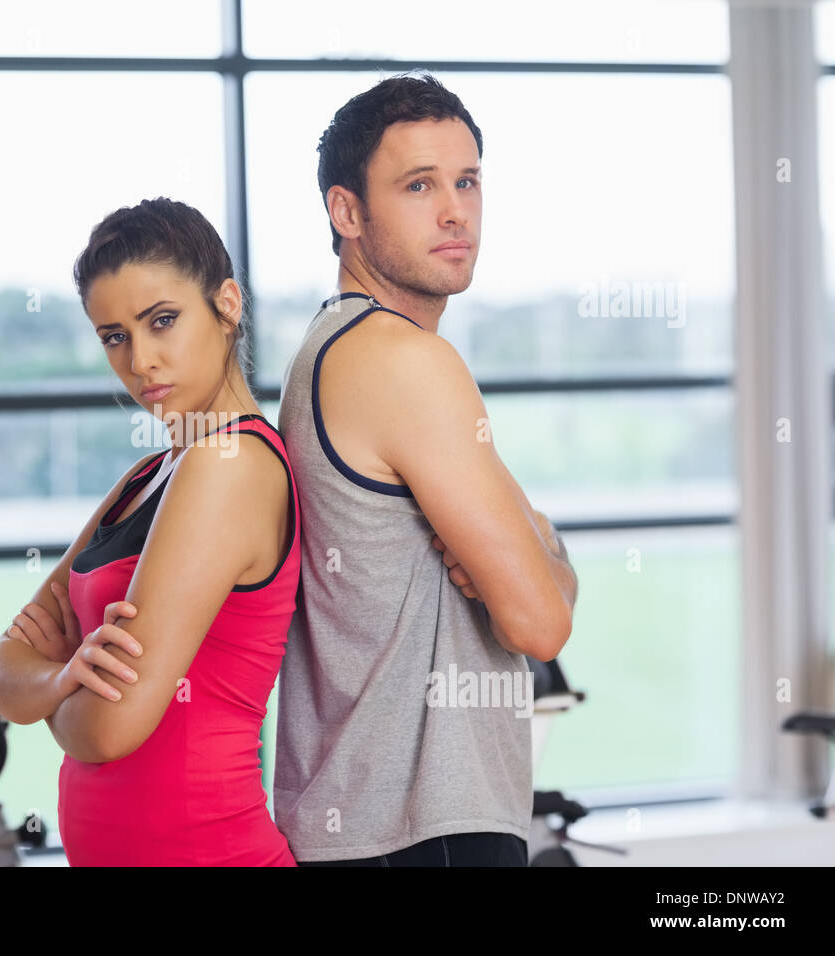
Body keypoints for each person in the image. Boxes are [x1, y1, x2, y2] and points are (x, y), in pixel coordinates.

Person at [273, 71, 580, 867]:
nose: (456, 211)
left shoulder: (330, 351)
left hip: (360, 828)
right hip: (424, 831)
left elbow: (546, 581)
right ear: (346, 212)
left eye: (467, 181)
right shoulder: (406, 363)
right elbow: (543, 623)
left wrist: (533, 554)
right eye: (418, 185)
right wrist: (532, 555)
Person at [0, 197, 300, 866]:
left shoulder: (229, 463)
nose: (140, 360)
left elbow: (109, 727)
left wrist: (48, 690)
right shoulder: (145, 476)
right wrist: (66, 680)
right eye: (114, 335)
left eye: (162, 321)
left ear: (228, 303)